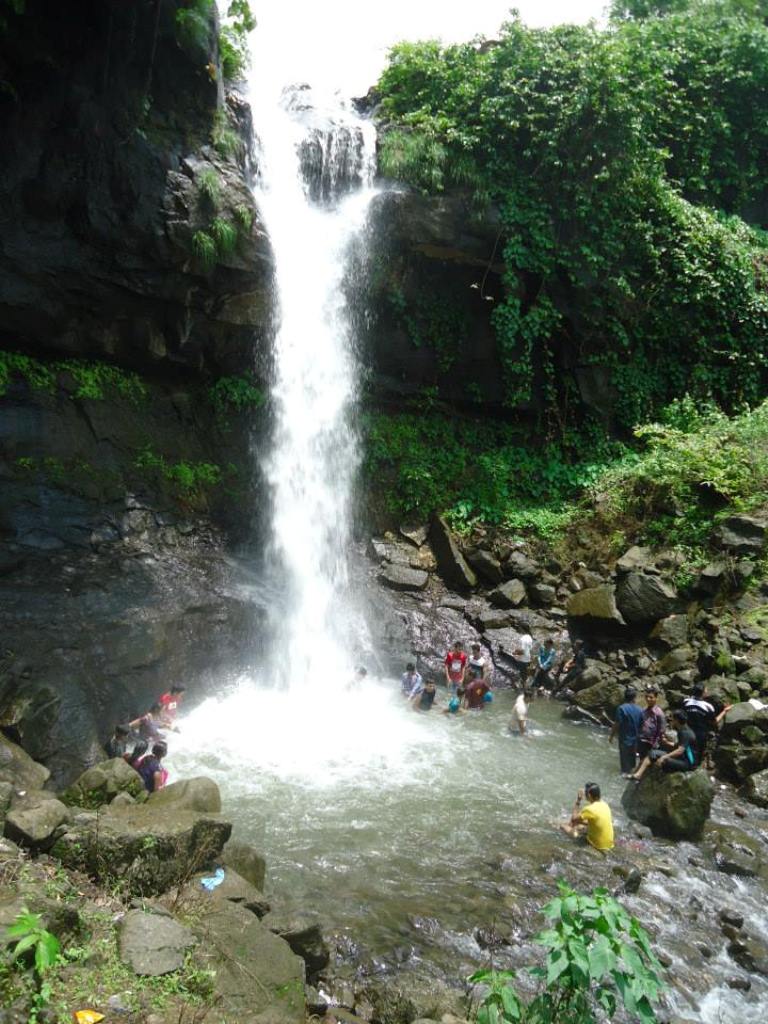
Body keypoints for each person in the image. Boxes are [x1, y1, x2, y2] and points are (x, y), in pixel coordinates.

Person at [628, 710, 698, 781]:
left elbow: (680, 751)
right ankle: (638, 775)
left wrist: (664, 757)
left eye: (672, 719)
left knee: (664, 761)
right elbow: (678, 746)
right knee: (652, 753)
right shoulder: (682, 730)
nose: (671, 721)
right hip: (681, 758)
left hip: (687, 763)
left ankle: (656, 782)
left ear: (676, 720)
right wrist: (666, 742)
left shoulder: (686, 733)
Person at [683, 684, 731, 764]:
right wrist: (725, 711)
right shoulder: (708, 706)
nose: (707, 691)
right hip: (700, 734)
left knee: (686, 751)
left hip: (687, 730)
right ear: (703, 693)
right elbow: (714, 722)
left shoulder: (686, 701)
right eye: (706, 690)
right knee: (697, 756)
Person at [559, 782, 614, 853]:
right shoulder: (605, 805)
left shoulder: (589, 809)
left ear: (589, 795)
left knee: (562, 826)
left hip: (597, 845)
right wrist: (580, 823)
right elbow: (596, 822)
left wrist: (578, 800)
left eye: (585, 793)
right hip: (609, 845)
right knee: (580, 826)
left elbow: (573, 820)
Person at [609, 687, 644, 775]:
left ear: (625, 697)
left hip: (624, 740)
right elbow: (642, 726)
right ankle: (631, 775)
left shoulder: (622, 709)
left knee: (624, 765)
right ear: (634, 697)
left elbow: (617, 724)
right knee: (632, 763)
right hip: (635, 741)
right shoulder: (640, 710)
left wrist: (611, 736)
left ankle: (624, 777)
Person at [636, 686, 666, 764]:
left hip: (651, 743)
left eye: (651, 697)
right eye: (647, 697)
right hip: (642, 740)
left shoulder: (659, 713)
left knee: (647, 762)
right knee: (641, 760)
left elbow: (662, 729)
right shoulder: (644, 710)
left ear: (656, 698)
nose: (648, 699)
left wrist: (655, 741)